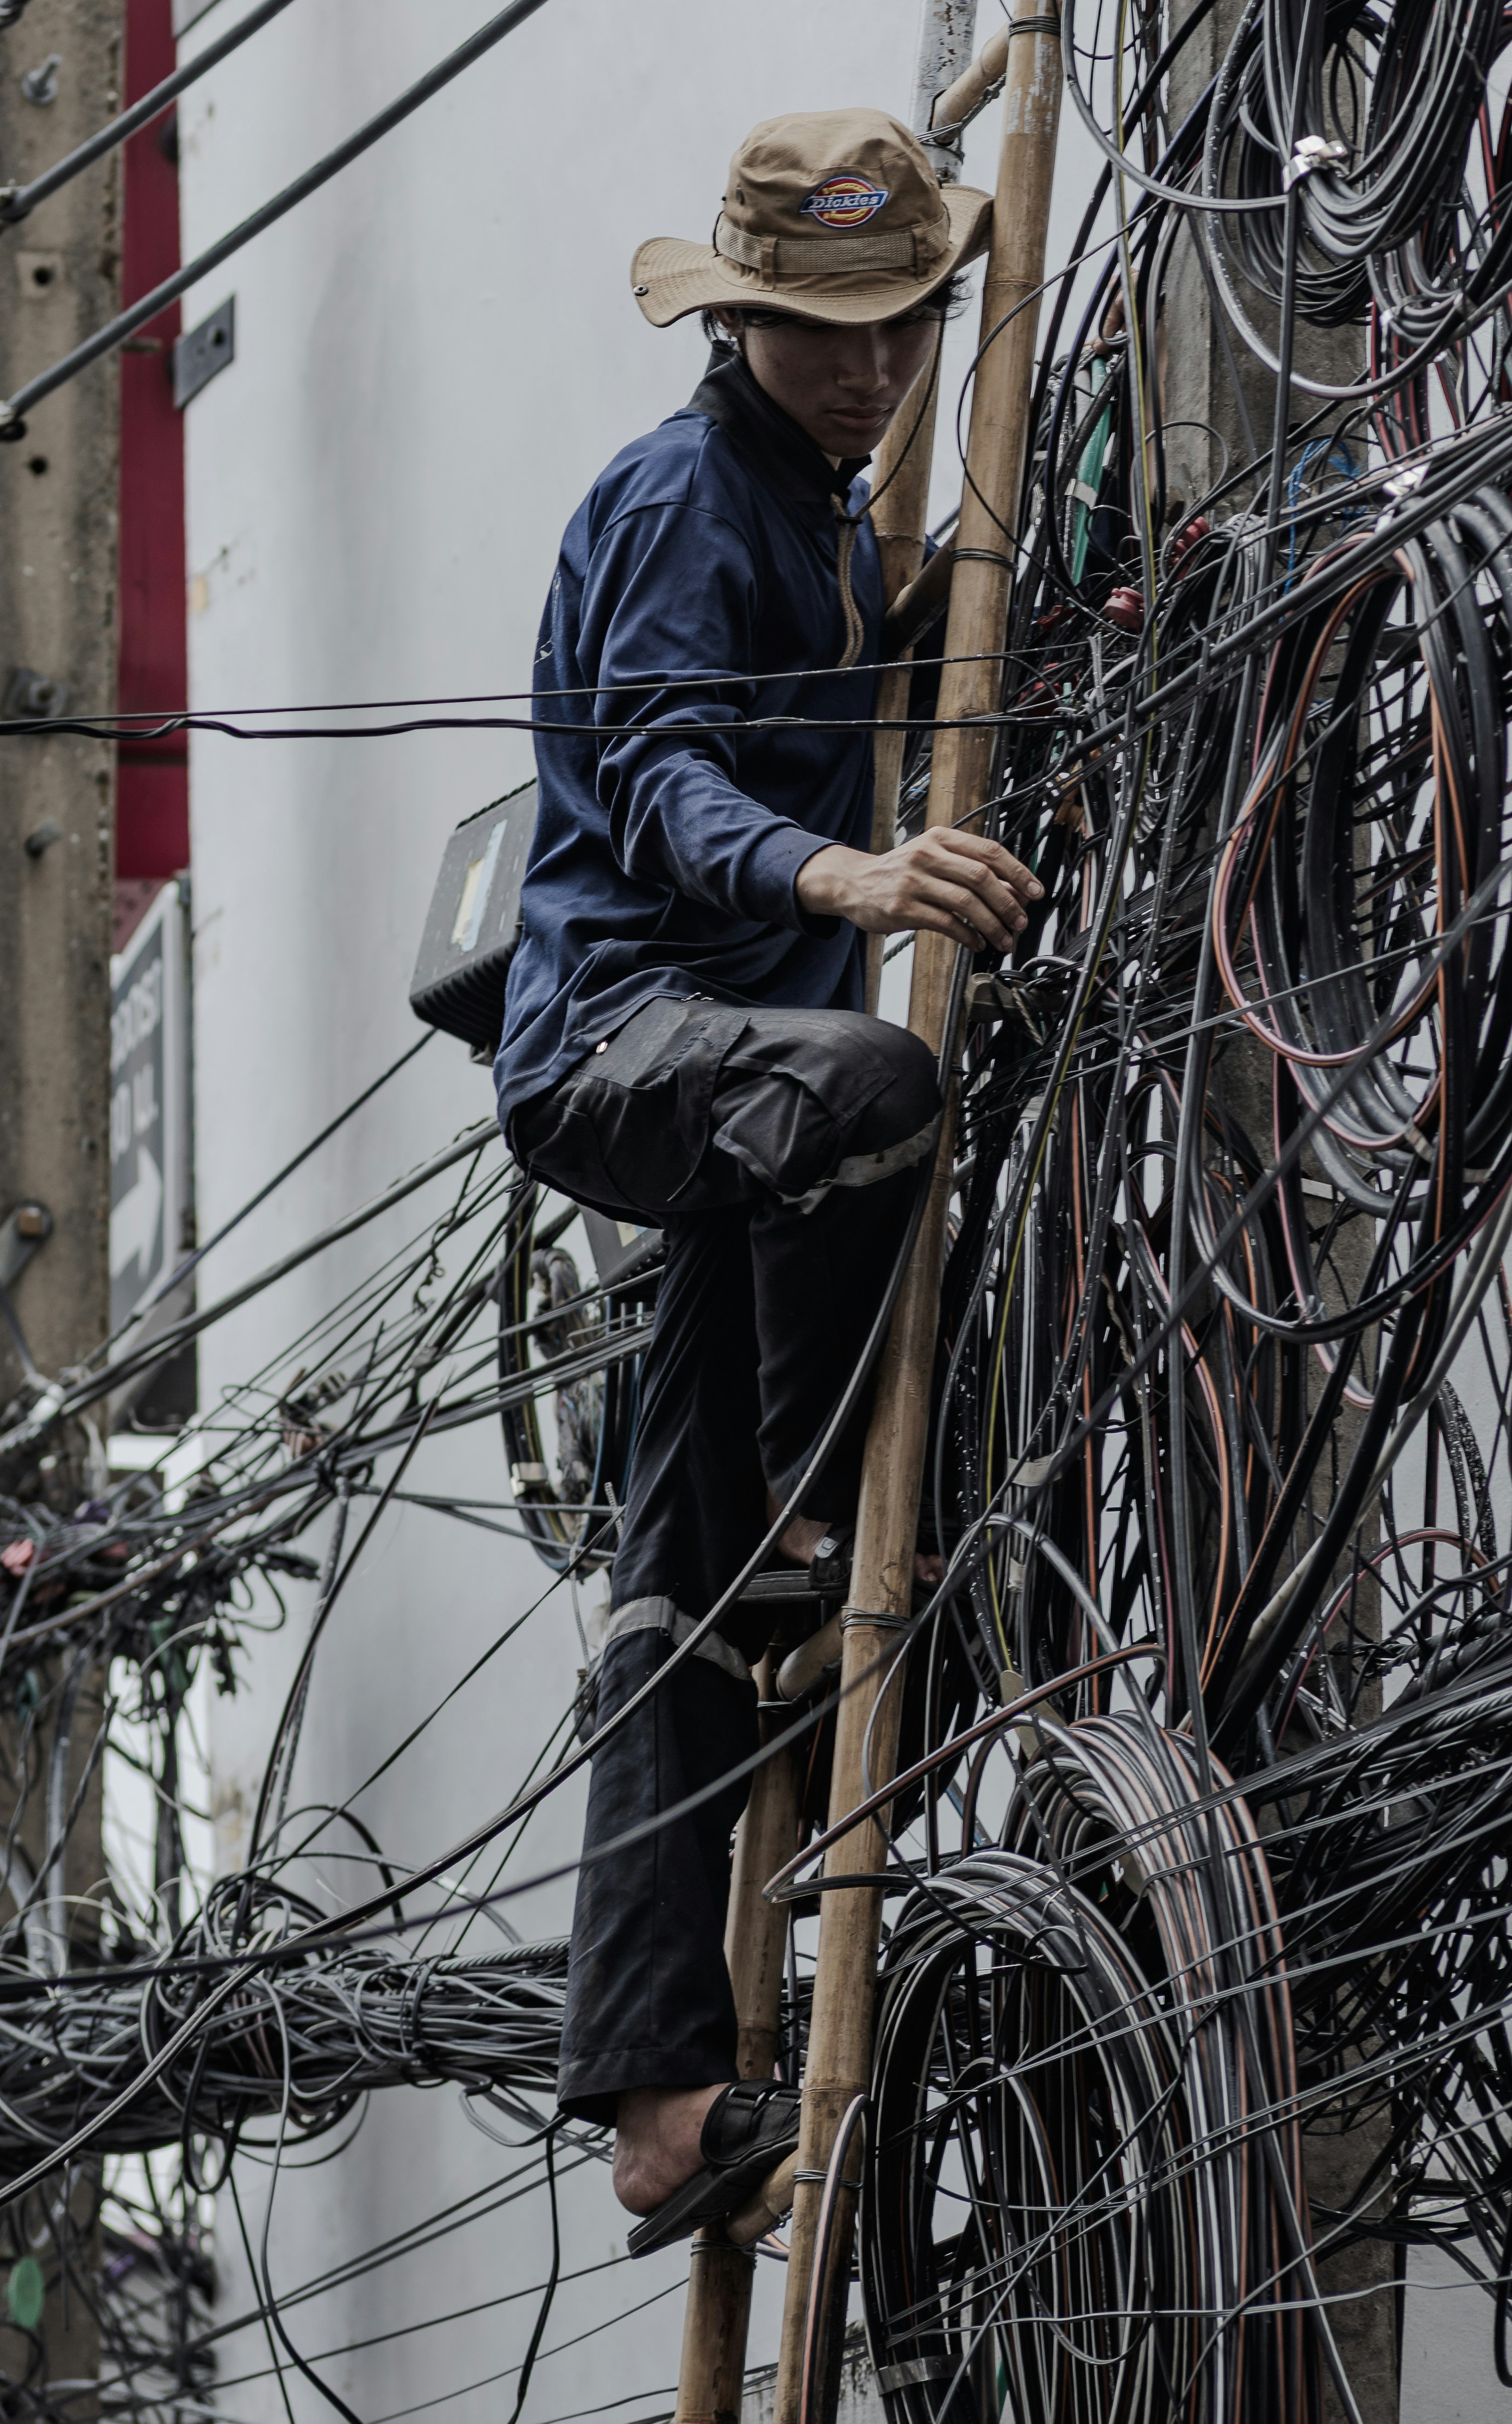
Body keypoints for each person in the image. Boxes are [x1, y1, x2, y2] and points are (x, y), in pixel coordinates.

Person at [492, 108, 1042, 2248]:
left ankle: (650, 2093)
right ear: (732, 316)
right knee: (887, 1083)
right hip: (636, 1049)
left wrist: (944, 634)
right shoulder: (679, 499)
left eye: (899, 324)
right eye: (826, 332)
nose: (869, 367)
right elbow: (659, 787)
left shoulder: (824, 509)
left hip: (735, 1090)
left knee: (668, 1596)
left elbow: (829, 693)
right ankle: (822, 1508)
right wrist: (856, 865)